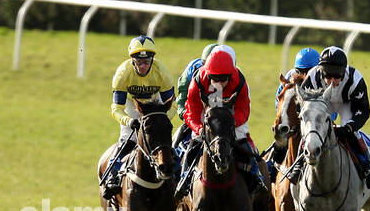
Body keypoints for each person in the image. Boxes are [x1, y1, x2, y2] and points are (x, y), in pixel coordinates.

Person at [175, 45, 267, 200]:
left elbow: (244, 110)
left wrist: (229, 124)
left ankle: (256, 175)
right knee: (195, 141)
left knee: (242, 139)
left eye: (223, 79)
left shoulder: (239, 81)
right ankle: (184, 178)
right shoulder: (198, 81)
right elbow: (192, 111)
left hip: (231, 117)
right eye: (214, 78)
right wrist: (199, 128)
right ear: (207, 73)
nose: (219, 82)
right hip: (207, 114)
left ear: (231, 74)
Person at [100, 35, 177, 200]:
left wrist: (162, 119)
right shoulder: (122, 73)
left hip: (155, 106)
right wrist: (129, 121)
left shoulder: (162, 72)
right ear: (132, 61)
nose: (143, 66)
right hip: (132, 106)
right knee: (128, 140)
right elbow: (116, 108)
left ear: (152, 60)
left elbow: (174, 106)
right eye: (139, 62)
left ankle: (178, 177)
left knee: (162, 140)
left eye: (147, 62)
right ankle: (113, 177)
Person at [299, 46, 370, 190]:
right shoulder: (312, 77)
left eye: (337, 77)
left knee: (351, 131)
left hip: (346, 104)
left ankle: (368, 168)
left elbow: (363, 111)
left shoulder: (355, 79)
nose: (332, 82)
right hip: (321, 103)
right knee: (310, 131)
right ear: (321, 71)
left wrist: (348, 128)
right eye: (327, 76)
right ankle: (298, 164)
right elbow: (303, 108)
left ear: (344, 71)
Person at [267, 47, 322, 172]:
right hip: (295, 123)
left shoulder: (322, 79)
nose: (303, 75)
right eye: (300, 71)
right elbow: (279, 101)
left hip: (316, 125)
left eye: (307, 71)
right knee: (281, 141)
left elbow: (331, 111)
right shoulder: (290, 76)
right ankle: (271, 166)